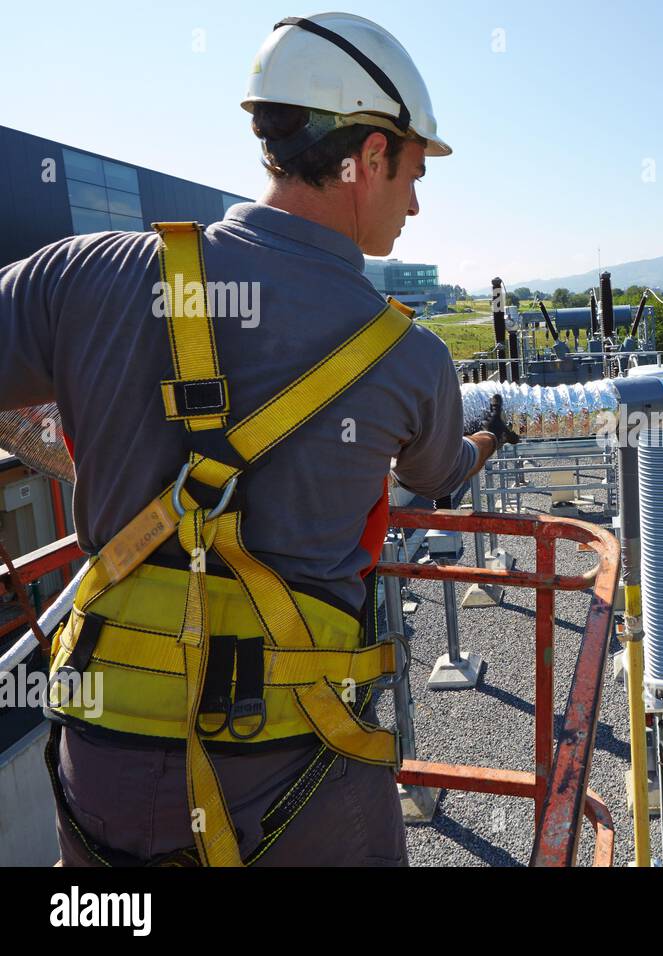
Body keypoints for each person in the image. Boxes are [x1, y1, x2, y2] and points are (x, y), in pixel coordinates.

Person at [0, 13, 511, 866]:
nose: (417, 203)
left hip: (102, 776)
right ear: (371, 155)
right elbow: (441, 471)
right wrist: (489, 433)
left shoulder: (83, 275)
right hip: (297, 781)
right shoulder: (408, 354)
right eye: (415, 173)